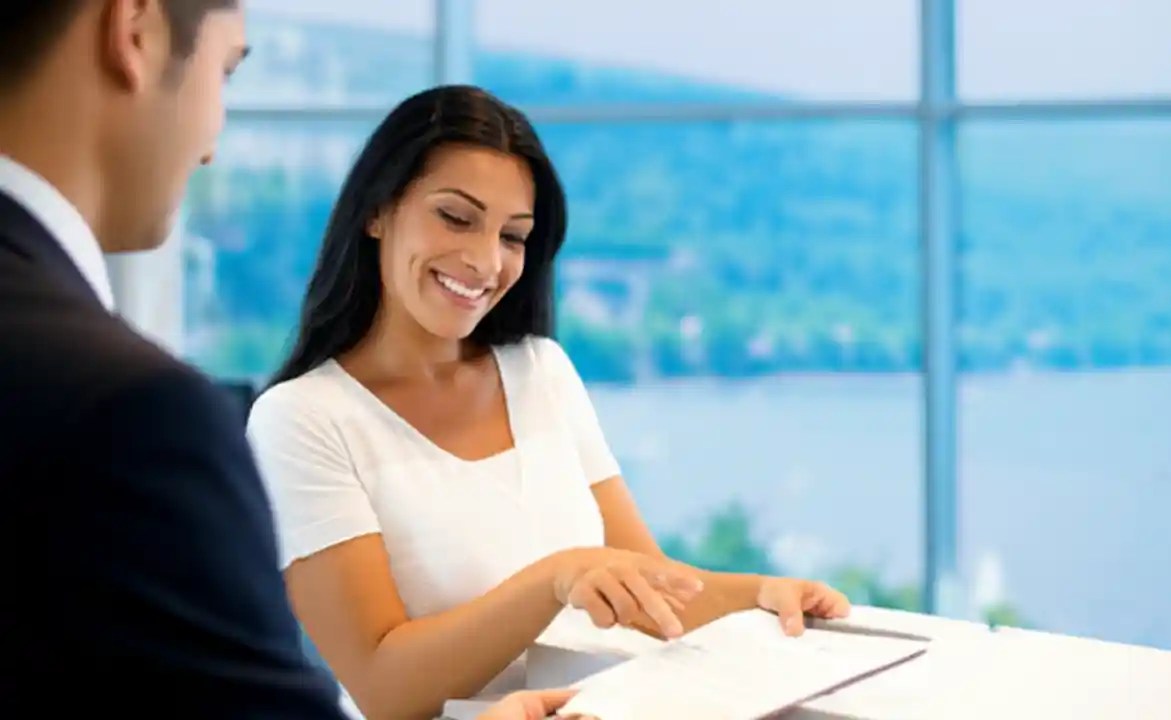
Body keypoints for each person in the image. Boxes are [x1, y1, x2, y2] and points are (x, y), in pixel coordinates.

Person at [0, 3, 572, 718]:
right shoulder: (133, 411)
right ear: (136, 32)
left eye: (513, 235)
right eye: (226, 72)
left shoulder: (538, 371)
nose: (213, 141)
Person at [247, 84, 854, 720]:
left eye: (514, 236)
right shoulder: (302, 419)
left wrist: (764, 595)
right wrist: (556, 578)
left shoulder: (540, 370)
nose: (485, 261)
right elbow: (385, 687)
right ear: (377, 210)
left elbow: (647, 582)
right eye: (455, 217)